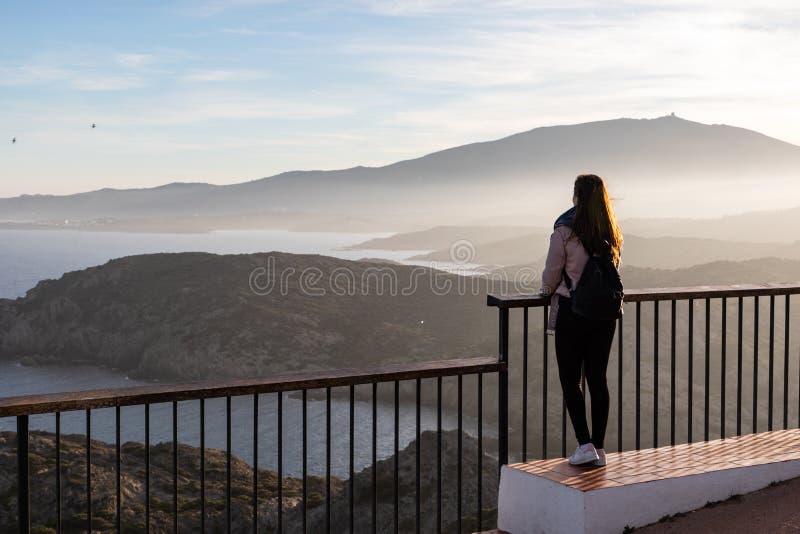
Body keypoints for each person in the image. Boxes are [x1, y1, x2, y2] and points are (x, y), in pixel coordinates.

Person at [539, 174, 623, 466]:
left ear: (576, 196)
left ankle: (584, 443)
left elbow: (552, 273)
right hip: (604, 315)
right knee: (598, 379)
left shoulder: (564, 229)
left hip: (572, 313)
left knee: (570, 379)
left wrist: (545, 291)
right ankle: (599, 449)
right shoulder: (610, 229)